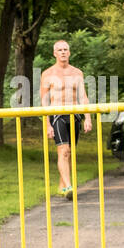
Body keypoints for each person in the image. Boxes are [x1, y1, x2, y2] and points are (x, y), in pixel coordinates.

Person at [40, 40, 92, 195]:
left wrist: (87, 118)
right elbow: (44, 101)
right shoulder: (48, 74)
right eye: (59, 50)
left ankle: (62, 186)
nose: (63, 52)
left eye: (65, 49)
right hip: (57, 116)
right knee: (63, 151)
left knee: (69, 152)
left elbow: (83, 97)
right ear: (54, 53)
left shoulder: (77, 73)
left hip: (74, 115)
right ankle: (69, 187)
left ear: (69, 53)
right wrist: (47, 125)